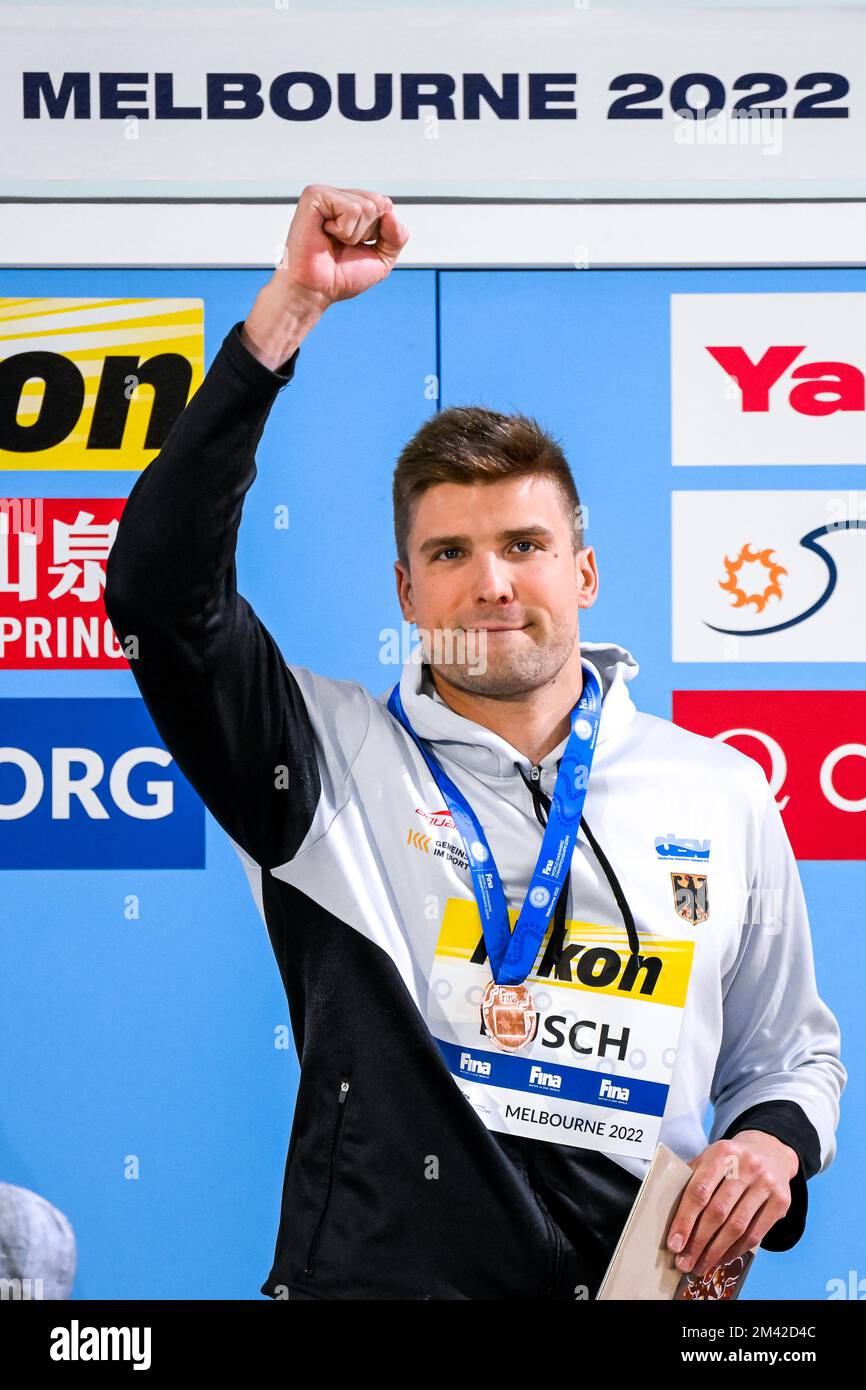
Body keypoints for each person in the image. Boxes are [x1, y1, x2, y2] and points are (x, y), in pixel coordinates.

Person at [104, 184, 846, 1301]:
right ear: (404, 589)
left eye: (523, 543)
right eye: (448, 553)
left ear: (583, 572)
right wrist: (287, 315)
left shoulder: (719, 789)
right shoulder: (321, 761)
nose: (491, 583)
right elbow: (160, 595)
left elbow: (789, 1056)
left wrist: (772, 1145)